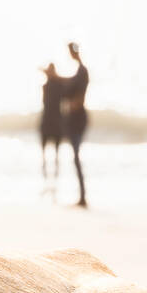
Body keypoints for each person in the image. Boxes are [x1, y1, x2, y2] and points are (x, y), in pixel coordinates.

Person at [61, 42, 89, 207]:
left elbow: (79, 99)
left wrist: (72, 104)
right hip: (74, 119)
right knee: (75, 156)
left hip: (77, 119)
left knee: (76, 156)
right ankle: (82, 194)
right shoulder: (79, 72)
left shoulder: (82, 72)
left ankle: (83, 195)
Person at [39, 62, 63, 180]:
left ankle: (54, 174)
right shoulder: (47, 85)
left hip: (54, 120)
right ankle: (46, 173)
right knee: (45, 149)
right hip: (49, 120)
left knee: (55, 151)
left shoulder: (57, 85)